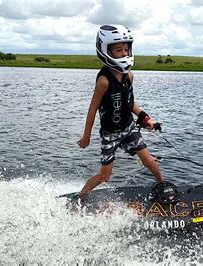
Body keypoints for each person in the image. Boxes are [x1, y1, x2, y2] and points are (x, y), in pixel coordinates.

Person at [76, 24, 164, 199]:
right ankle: (81, 196)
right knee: (105, 176)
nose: (124, 53)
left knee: (150, 161)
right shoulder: (104, 81)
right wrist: (86, 136)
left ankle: (163, 185)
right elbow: (93, 109)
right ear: (106, 51)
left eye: (126, 49)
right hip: (110, 134)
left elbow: (130, 104)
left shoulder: (129, 76)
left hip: (129, 128)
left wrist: (147, 119)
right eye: (118, 50)